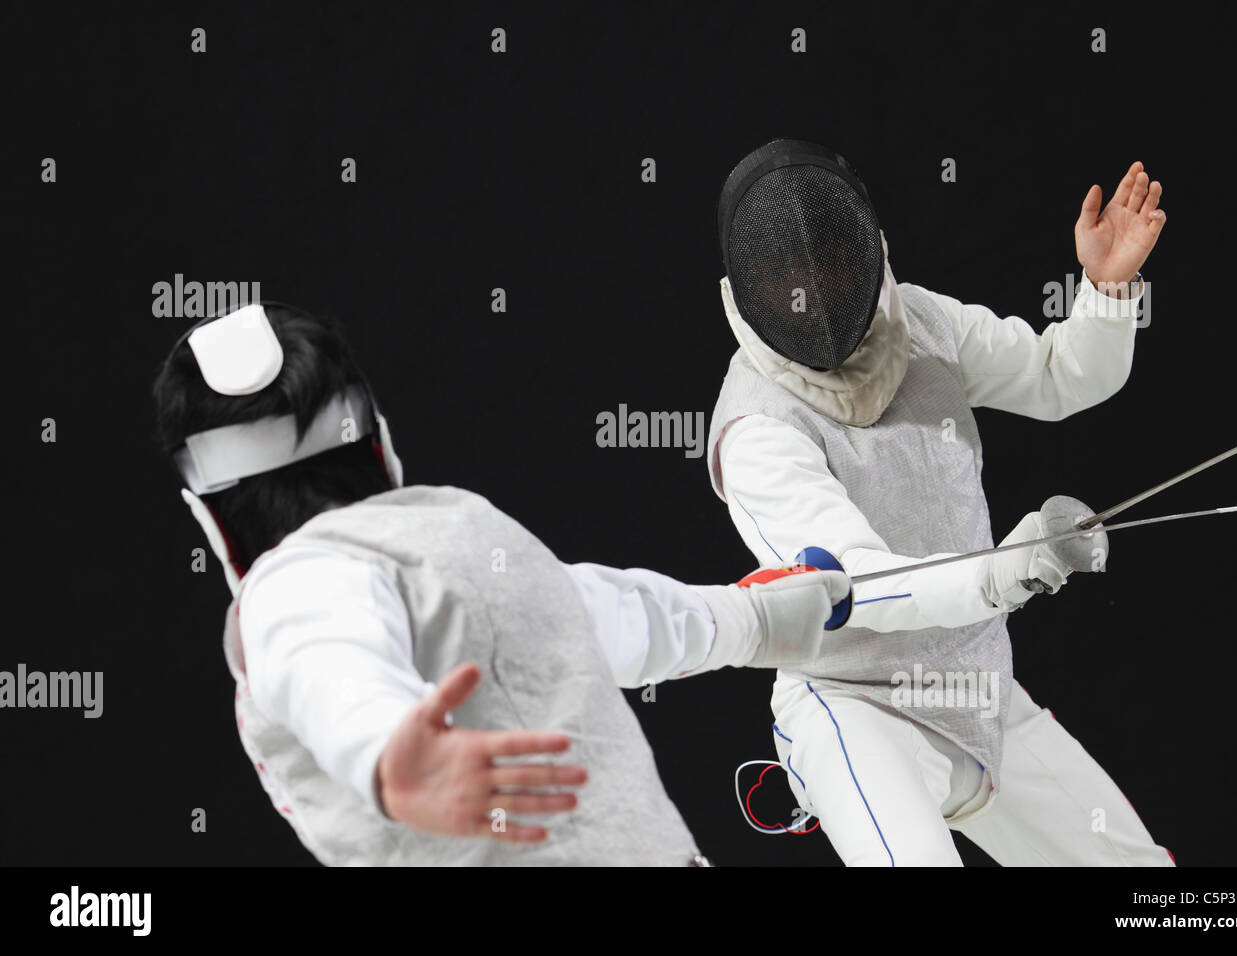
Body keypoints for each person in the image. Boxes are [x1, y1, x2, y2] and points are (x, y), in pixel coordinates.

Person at [154, 300, 848, 866]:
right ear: (378, 444)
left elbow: (329, 667)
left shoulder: (292, 585)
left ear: (212, 517)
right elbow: (627, 619)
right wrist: (777, 614)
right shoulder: (474, 531)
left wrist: (390, 752)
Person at [706, 138, 1174, 866]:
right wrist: (1005, 570)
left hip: (978, 690)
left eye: (826, 259)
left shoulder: (922, 325)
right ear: (751, 285)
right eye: (783, 272)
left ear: (863, 249)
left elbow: (1059, 376)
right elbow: (856, 584)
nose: (809, 290)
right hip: (856, 707)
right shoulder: (755, 427)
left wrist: (1106, 292)